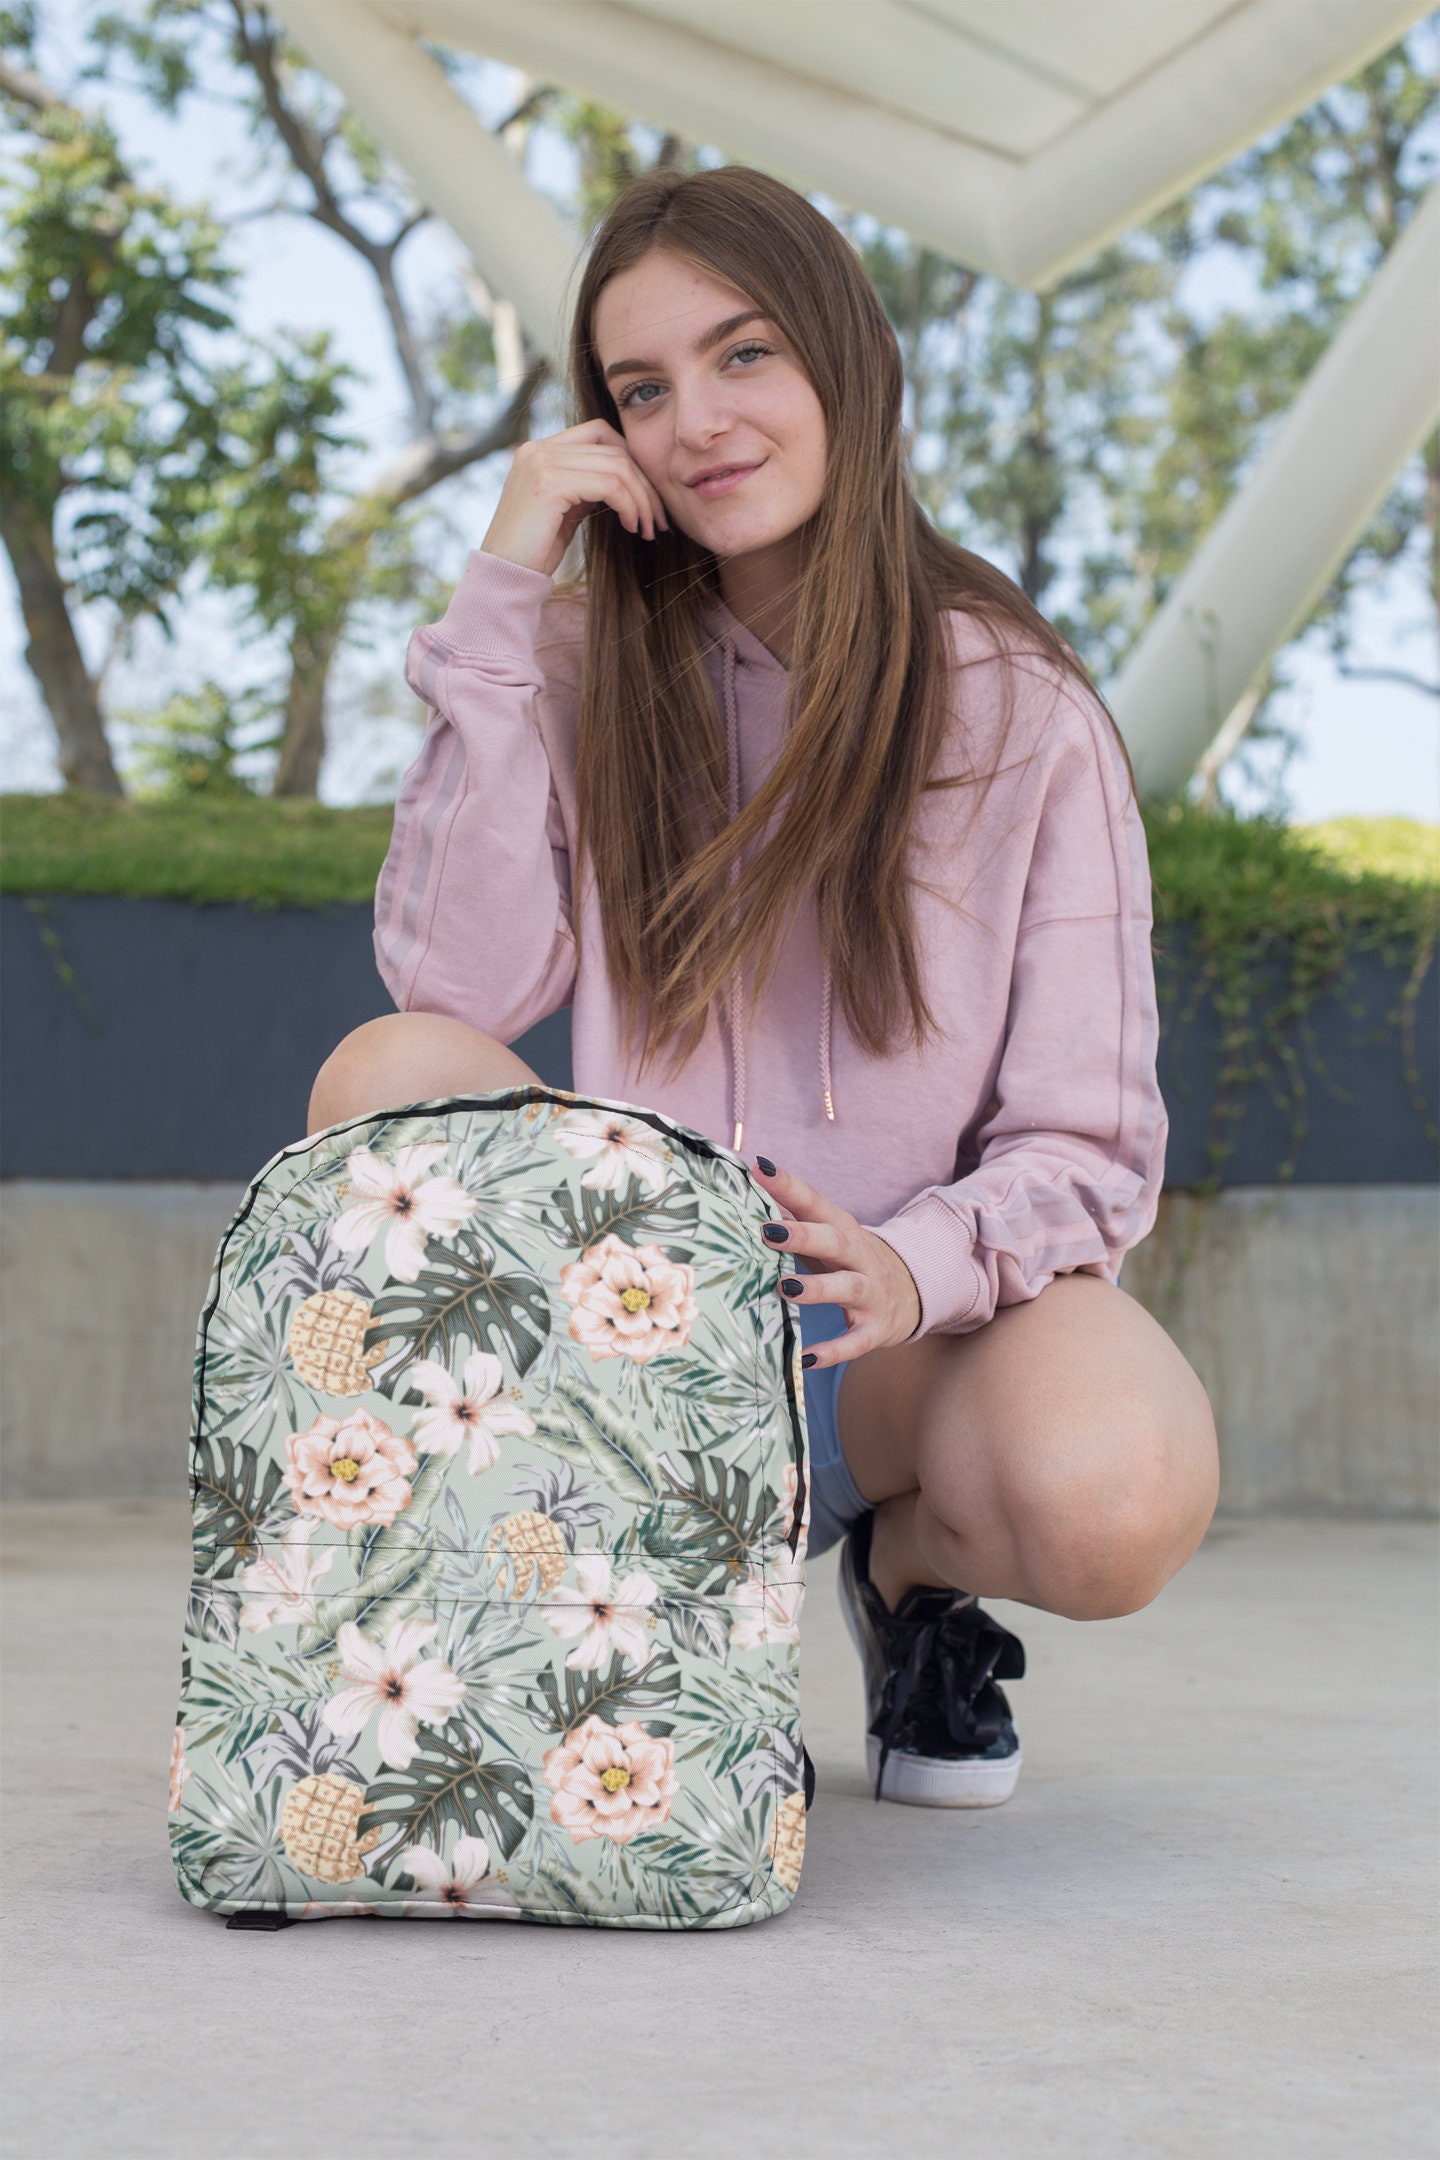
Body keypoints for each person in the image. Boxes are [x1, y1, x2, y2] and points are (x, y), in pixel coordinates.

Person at [309, 163, 1219, 1810]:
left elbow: (1090, 1146)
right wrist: (509, 582)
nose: (696, 422)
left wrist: (908, 1261)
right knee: (385, 1071)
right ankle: (628, 1633)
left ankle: (906, 1583)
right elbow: (452, 980)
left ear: (844, 362)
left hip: (888, 1350)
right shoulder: (579, 664)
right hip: (610, 1343)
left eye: (743, 357)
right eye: (640, 389)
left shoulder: (1019, 709)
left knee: (1113, 1488)